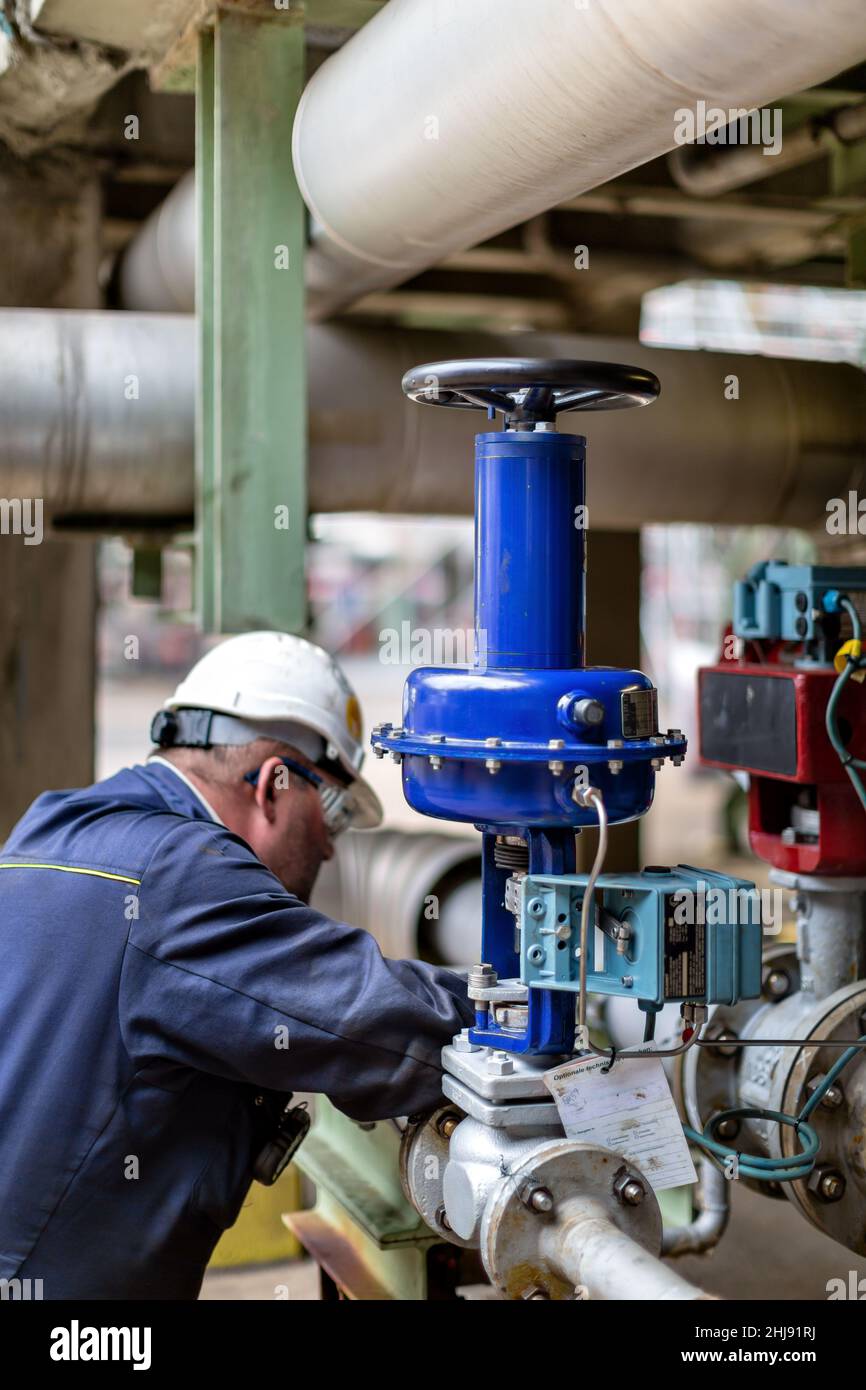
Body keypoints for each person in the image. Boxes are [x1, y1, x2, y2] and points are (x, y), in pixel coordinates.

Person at [0, 631, 472, 1299]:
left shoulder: (51, 830)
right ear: (274, 782)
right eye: (333, 816)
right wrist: (526, 1012)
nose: (331, 851)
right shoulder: (180, 875)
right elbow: (371, 1024)